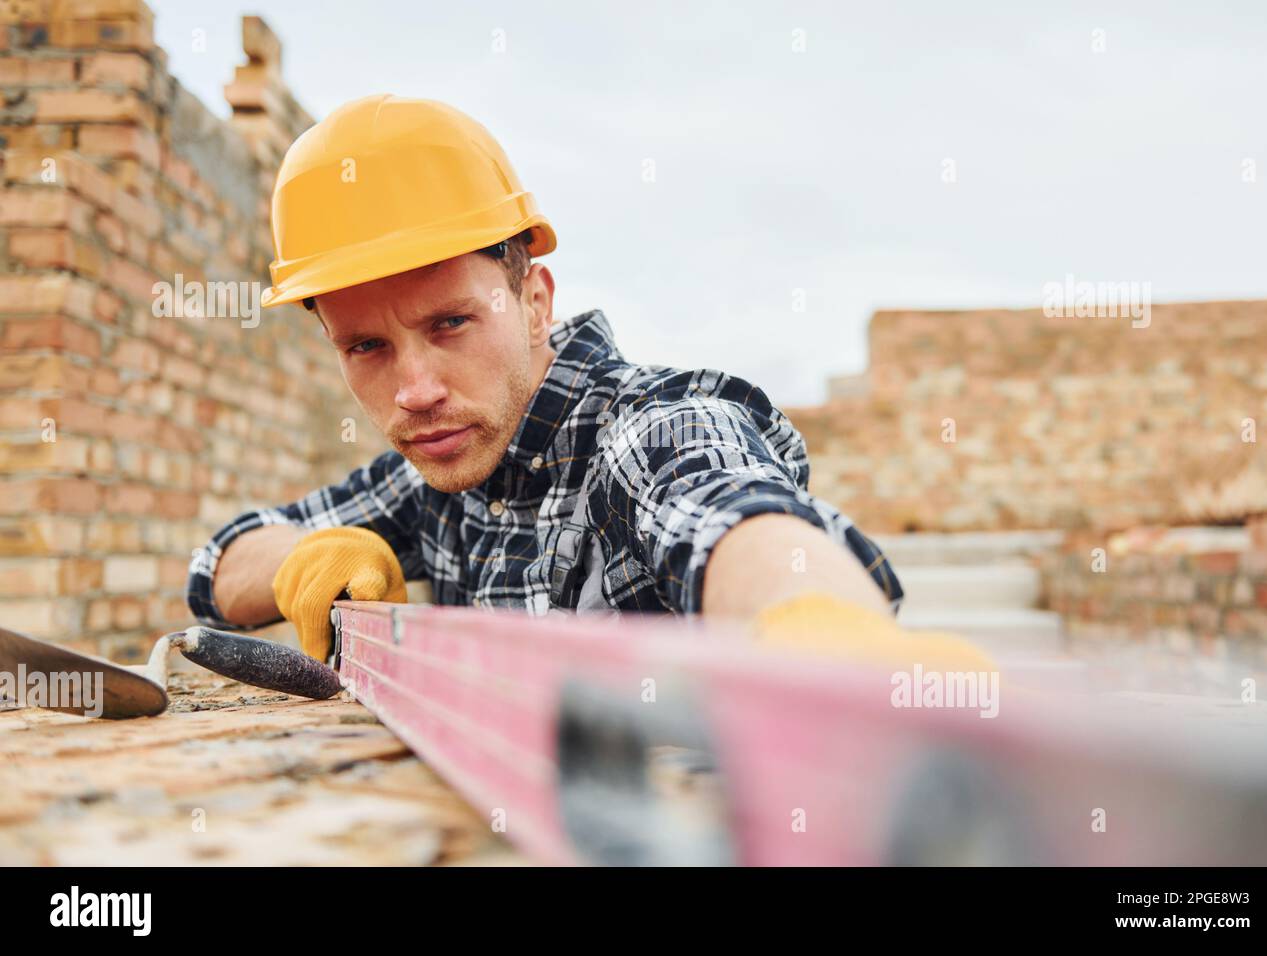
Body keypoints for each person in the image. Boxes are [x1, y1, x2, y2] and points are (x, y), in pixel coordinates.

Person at [186, 94, 984, 671]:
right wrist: (309, 557)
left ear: (534, 302)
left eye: (450, 324)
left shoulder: (643, 428)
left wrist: (833, 640)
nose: (415, 390)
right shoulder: (439, 470)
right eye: (365, 347)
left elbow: (724, 509)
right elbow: (219, 564)